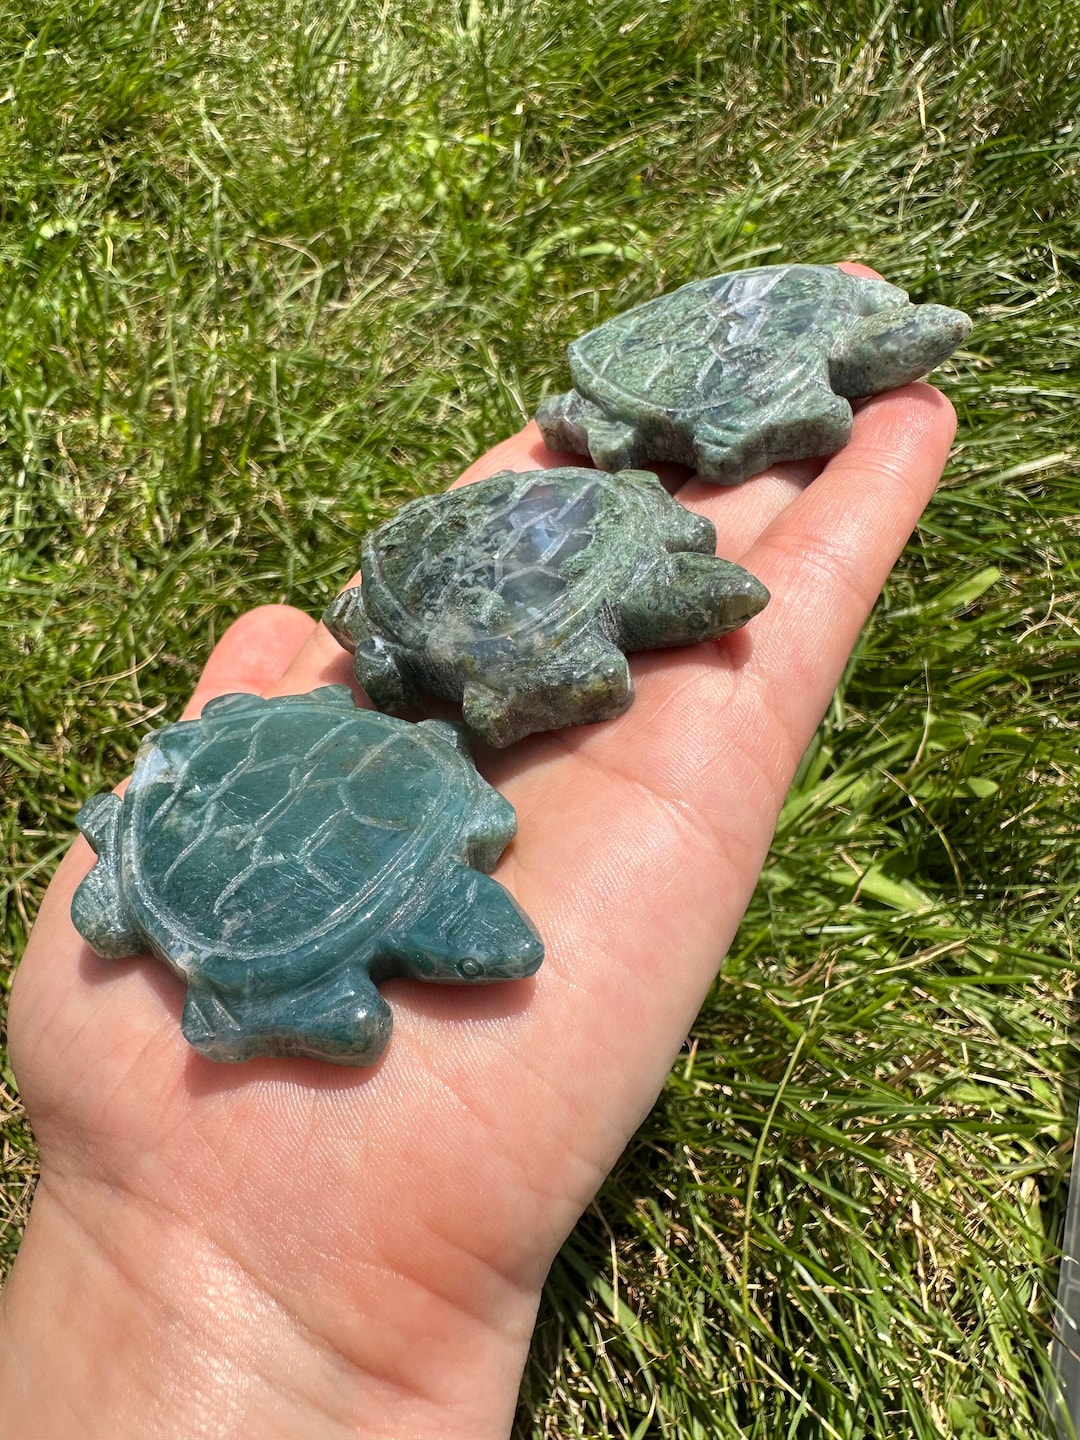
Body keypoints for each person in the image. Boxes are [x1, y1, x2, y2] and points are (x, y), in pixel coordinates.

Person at [0, 264, 958, 1438]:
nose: (506, 959)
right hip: (289, 800)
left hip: (342, 747)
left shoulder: (446, 788)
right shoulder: (395, 871)